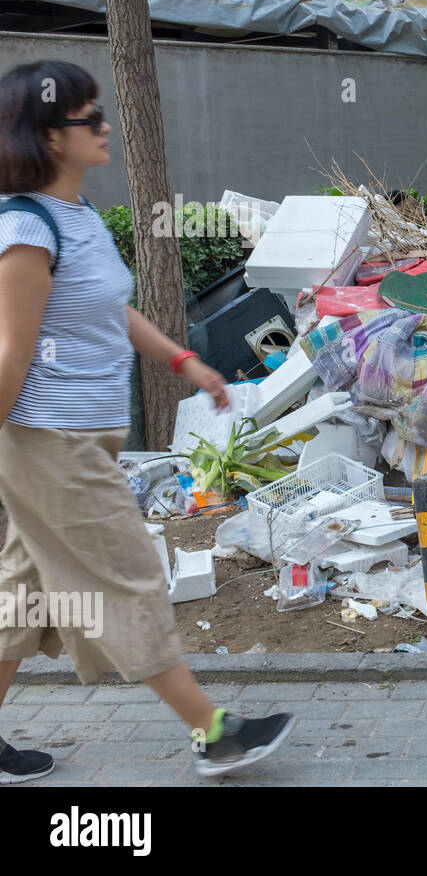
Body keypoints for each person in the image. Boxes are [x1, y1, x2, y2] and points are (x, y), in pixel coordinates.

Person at [0, 60, 294, 782]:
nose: (105, 127)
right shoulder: (24, 228)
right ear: (46, 135)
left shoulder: (79, 217)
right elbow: (12, 349)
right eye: (90, 118)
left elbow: (114, 310)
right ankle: (212, 730)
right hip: (50, 442)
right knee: (127, 577)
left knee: (22, 591)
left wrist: (182, 362)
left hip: (79, 441)